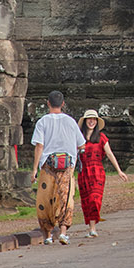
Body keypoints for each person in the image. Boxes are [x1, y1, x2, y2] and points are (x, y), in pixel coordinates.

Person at [30, 90, 85, 245]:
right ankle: (63, 232)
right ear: (62, 104)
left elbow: (39, 146)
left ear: (48, 103)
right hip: (67, 165)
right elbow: (81, 144)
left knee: (45, 198)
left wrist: (34, 169)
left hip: (48, 164)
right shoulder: (71, 122)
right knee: (65, 197)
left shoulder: (42, 122)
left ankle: (47, 235)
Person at [77, 109, 129, 237]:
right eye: (89, 119)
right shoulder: (79, 138)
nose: (91, 122)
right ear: (85, 121)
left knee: (95, 199)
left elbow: (110, 154)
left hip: (97, 172)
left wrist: (119, 170)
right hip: (84, 172)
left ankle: (93, 227)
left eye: (94, 119)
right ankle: (91, 228)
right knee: (87, 201)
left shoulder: (101, 138)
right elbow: (74, 156)